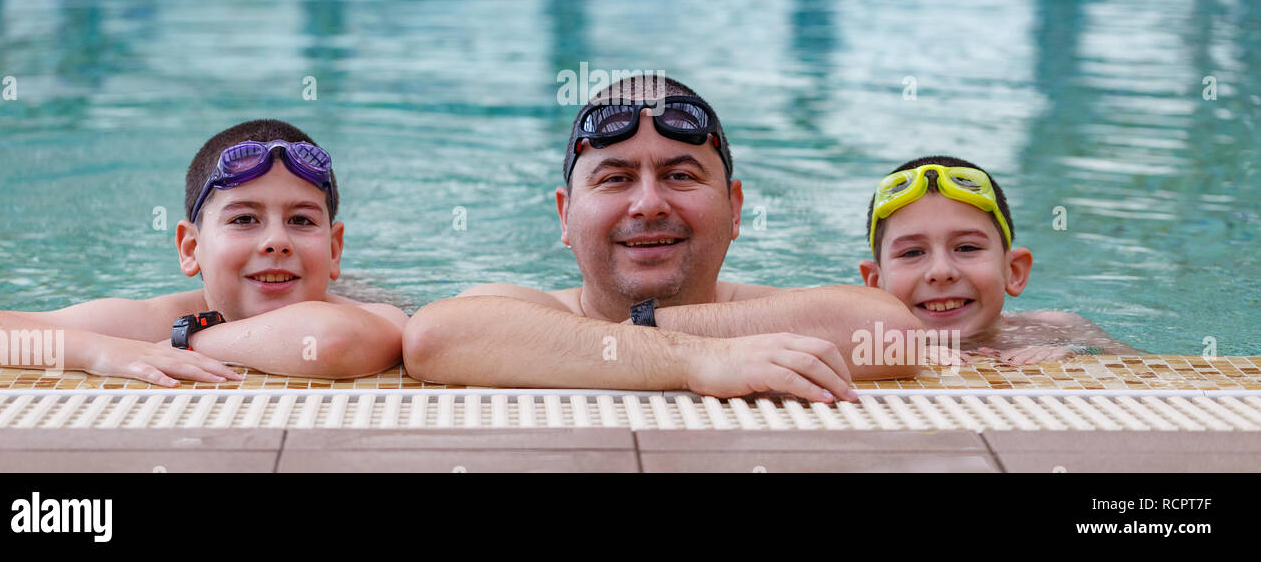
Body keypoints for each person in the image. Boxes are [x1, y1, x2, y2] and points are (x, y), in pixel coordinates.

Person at [403, 76, 923, 402]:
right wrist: (694, 359)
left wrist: (641, 328)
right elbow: (433, 337)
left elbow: (893, 332)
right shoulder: (528, 308)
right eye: (615, 178)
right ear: (565, 217)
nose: (649, 203)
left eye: (680, 176)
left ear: (735, 209)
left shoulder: (764, 305)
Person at [0, 119, 406, 386]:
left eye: (302, 221)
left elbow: (332, 340)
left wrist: (187, 340)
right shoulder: (148, 321)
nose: (277, 241)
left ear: (333, 250)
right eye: (244, 219)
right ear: (190, 248)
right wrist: (99, 352)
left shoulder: (380, 317)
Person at [858, 155, 1140, 365]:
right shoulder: (862, 338)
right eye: (912, 252)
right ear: (875, 284)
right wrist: (902, 355)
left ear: (1013, 271)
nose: (941, 271)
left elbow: (1144, 366)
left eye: (967, 247)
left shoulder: (1058, 329)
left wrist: (1077, 354)